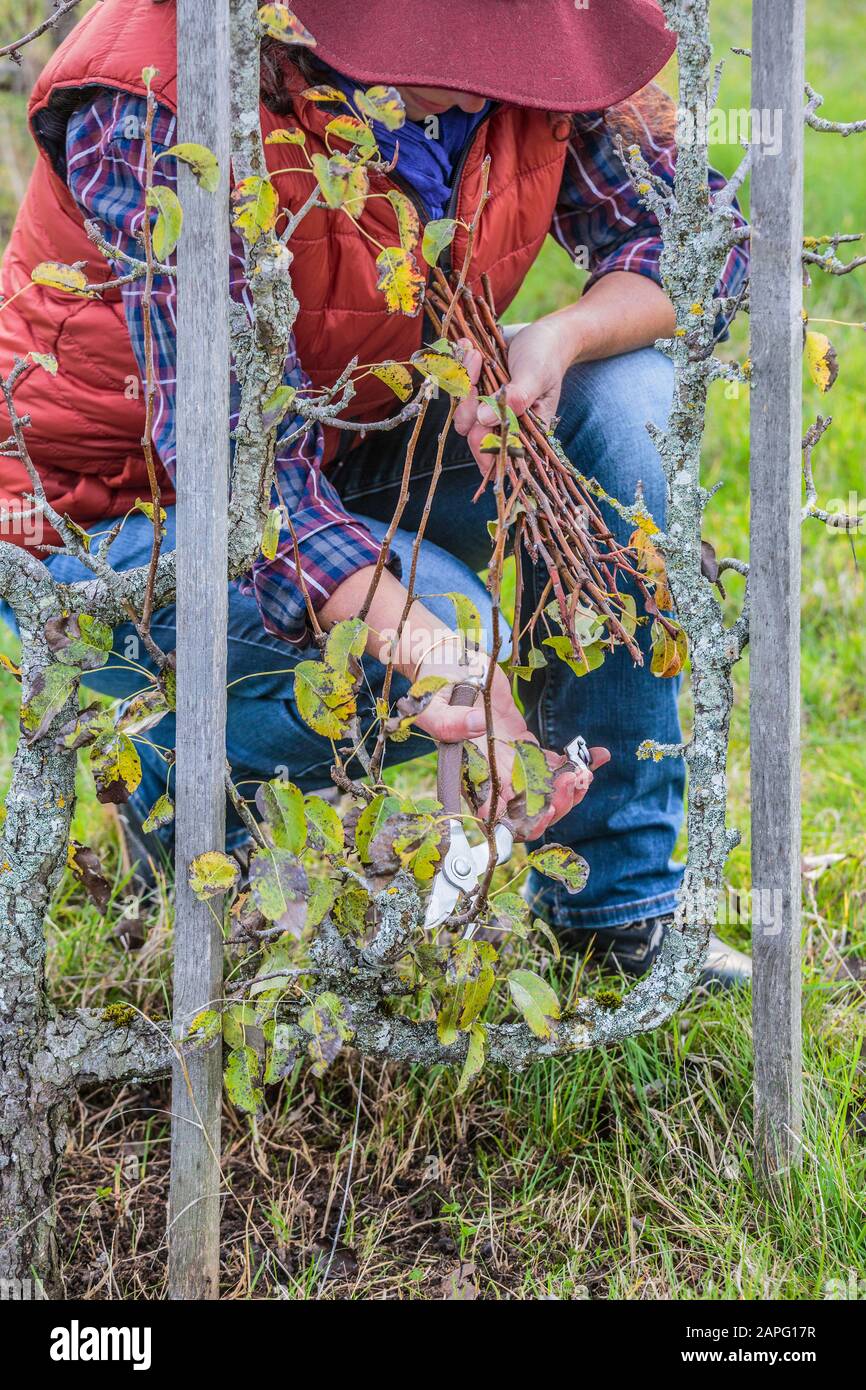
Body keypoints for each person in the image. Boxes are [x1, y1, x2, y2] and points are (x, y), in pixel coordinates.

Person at [0, 0, 751, 981]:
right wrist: (448, 663)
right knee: (436, 627)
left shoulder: (526, 76)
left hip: (355, 438)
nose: (484, 74)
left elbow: (705, 244)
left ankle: (611, 917)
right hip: (116, 506)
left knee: (627, 405)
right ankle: (169, 797)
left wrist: (555, 339)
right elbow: (238, 462)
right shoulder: (161, 97)